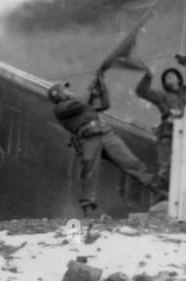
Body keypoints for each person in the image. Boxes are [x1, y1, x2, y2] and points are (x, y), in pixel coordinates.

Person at [48, 70, 156, 220]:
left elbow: (105, 104)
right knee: (90, 173)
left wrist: (101, 83)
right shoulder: (60, 108)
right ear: (57, 95)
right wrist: (90, 89)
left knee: (130, 162)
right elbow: (82, 102)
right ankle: (88, 212)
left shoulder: (79, 103)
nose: (68, 91)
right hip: (88, 138)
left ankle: (160, 190)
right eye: (64, 89)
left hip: (104, 134)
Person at [131, 60, 186, 209]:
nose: (169, 78)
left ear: (178, 79)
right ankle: (160, 199)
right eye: (166, 77)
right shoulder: (163, 95)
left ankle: (181, 200)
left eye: (171, 76)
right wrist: (148, 76)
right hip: (168, 133)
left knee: (185, 167)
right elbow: (141, 92)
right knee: (165, 167)